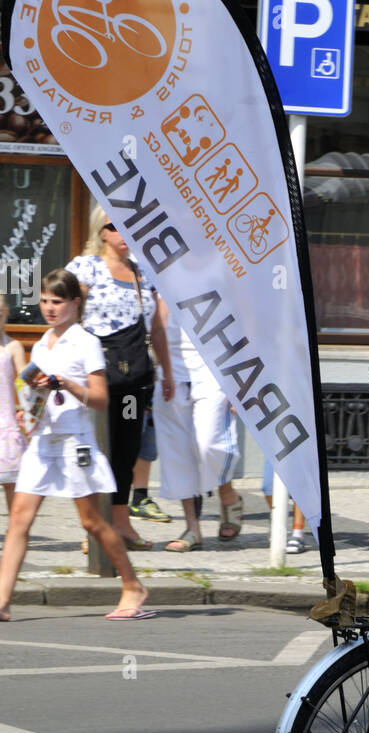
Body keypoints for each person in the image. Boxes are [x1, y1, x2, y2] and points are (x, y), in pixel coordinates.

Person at [0, 270, 153, 622]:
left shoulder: (86, 341)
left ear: (75, 303)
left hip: (74, 442)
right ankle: (3, 601)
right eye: (45, 301)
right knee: (19, 520)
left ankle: (132, 584)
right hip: (42, 440)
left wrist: (67, 384)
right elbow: (34, 393)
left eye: (58, 301)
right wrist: (32, 400)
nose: (50, 308)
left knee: (92, 522)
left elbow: (100, 400)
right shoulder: (40, 344)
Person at [67, 205, 174, 550]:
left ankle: (122, 524)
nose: (123, 233)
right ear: (101, 231)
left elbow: (156, 328)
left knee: (126, 448)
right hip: (96, 378)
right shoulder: (85, 267)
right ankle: (93, 529)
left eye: (129, 226)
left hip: (131, 384)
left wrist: (167, 371)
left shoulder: (143, 272)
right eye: (115, 227)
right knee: (97, 449)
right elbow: (67, 314)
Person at [151, 302, 242, 551]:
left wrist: (237, 381)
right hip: (171, 373)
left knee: (210, 443)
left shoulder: (219, 270)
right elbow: (156, 328)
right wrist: (164, 372)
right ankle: (193, 528)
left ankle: (227, 493)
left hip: (213, 371)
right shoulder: (160, 271)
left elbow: (239, 324)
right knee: (178, 454)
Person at [0, 295, 26, 512]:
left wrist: (28, 409)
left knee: (11, 483)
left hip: (6, 423)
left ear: (5, 314)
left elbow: (25, 382)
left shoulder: (13, 347)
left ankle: (15, 530)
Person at [262, 458, 308, 555]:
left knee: (300, 487)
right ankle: (277, 521)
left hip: (302, 445)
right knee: (269, 487)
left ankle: (297, 534)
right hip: (275, 446)